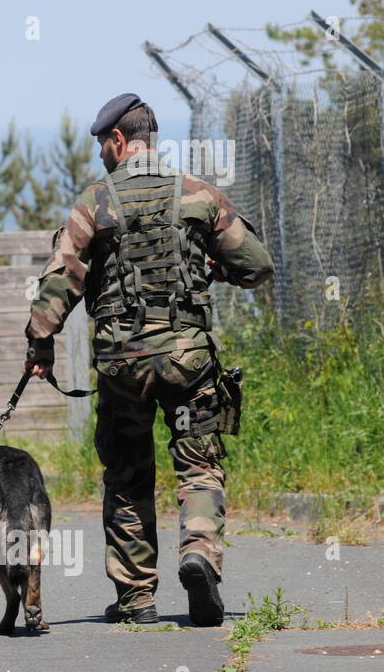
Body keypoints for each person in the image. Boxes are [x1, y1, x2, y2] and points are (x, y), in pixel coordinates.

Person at [24, 93, 273, 627]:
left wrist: (40, 343)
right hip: (187, 360)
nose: (101, 158)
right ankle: (199, 554)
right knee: (200, 466)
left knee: (127, 473)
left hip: (124, 364)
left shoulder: (95, 202)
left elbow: (60, 279)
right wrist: (212, 266)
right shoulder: (199, 195)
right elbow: (256, 267)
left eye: (102, 147)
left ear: (119, 141)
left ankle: (137, 598)